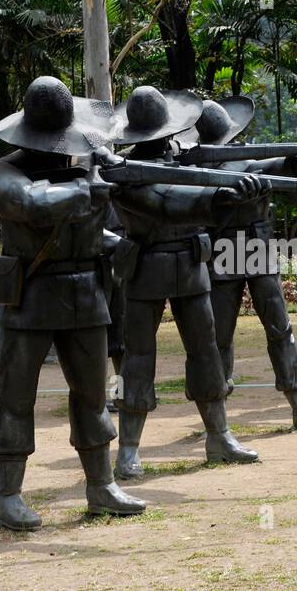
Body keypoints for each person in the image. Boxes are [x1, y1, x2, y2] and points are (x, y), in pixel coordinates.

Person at [0, 76, 147, 528]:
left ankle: (101, 485)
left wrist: (119, 242)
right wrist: (85, 188)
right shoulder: (5, 171)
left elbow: (95, 228)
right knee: (16, 397)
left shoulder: (89, 167)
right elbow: (31, 202)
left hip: (86, 294)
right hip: (31, 296)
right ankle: (7, 496)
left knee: (93, 395)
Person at [109, 85, 267, 478]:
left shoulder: (187, 158)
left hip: (191, 262)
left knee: (206, 351)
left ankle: (219, 435)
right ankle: (128, 447)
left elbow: (247, 168)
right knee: (138, 359)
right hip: (146, 265)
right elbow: (166, 203)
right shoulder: (123, 173)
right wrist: (220, 199)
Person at [192, 96, 297, 433]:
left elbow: (280, 166)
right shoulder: (191, 167)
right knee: (217, 336)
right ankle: (216, 420)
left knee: (280, 328)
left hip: (256, 249)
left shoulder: (248, 158)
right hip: (221, 250)